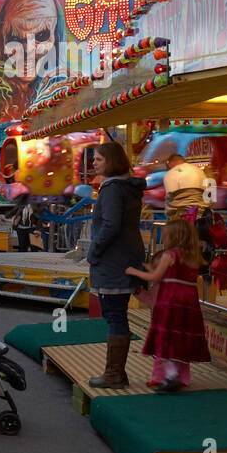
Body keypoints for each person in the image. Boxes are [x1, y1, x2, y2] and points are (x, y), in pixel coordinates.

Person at [86, 142, 147, 388]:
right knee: (116, 313)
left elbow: (111, 224)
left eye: (98, 159)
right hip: (126, 255)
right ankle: (117, 372)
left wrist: (94, 250)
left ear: (111, 161)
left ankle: (113, 374)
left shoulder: (112, 189)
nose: (94, 162)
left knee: (114, 314)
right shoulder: (126, 187)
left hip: (114, 260)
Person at [125, 218, 209, 393]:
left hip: (171, 301)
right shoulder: (192, 256)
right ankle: (178, 374)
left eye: (165, 236)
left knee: (165, 339)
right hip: (189, 303)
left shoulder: (169, 255)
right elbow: (173, 274)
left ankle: (171, 376)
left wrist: (133, 271)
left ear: (174, 237)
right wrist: (152, 269)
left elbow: (156, 277)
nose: (164, 240)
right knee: (180, 338)